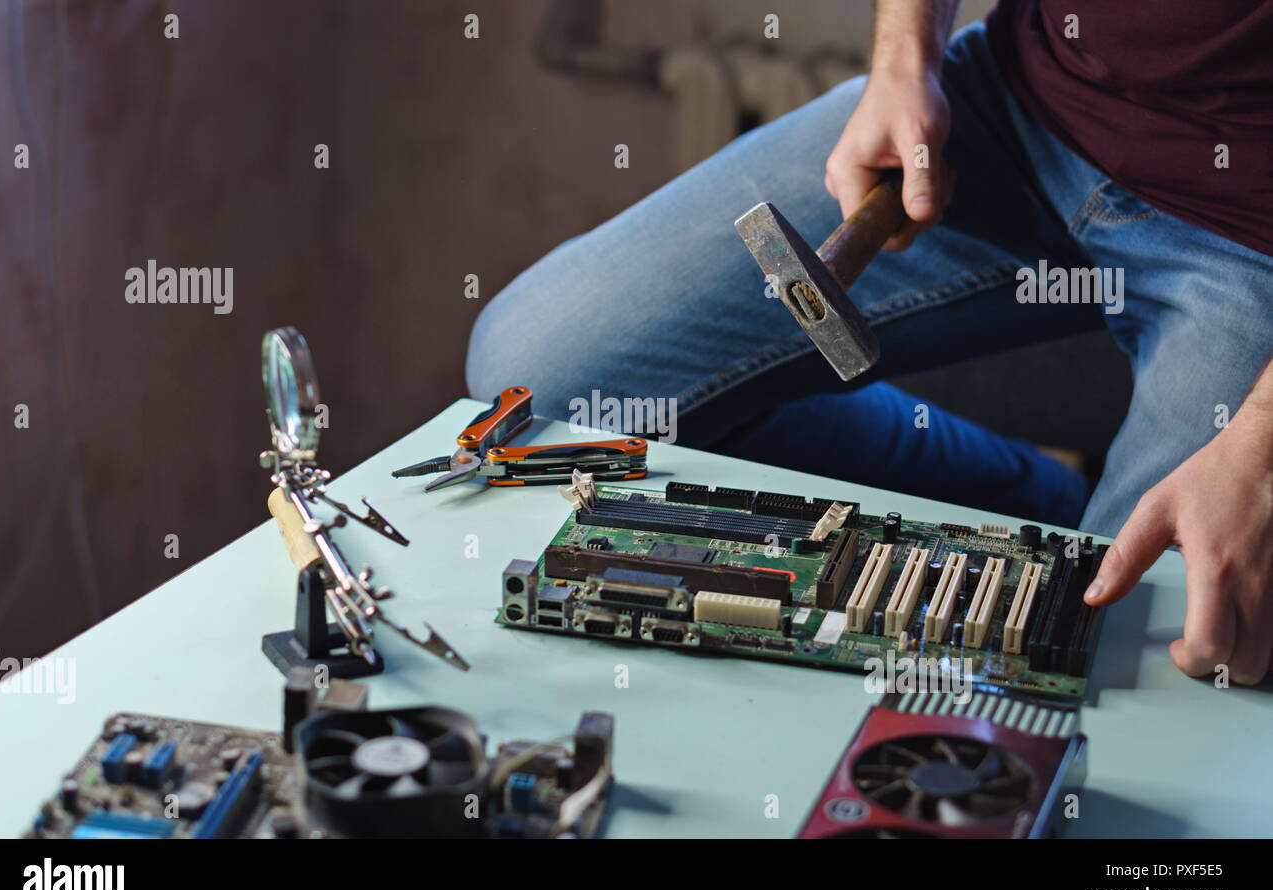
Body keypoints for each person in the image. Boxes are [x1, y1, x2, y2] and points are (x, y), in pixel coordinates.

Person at [465, 1, 1273, 684]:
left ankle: (1074, 551)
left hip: (1251, 241)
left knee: (1154, 649)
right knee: (542, 387)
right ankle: (1035, 517)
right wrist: (903, 63)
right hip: (1023, 109)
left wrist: (1262, 451)